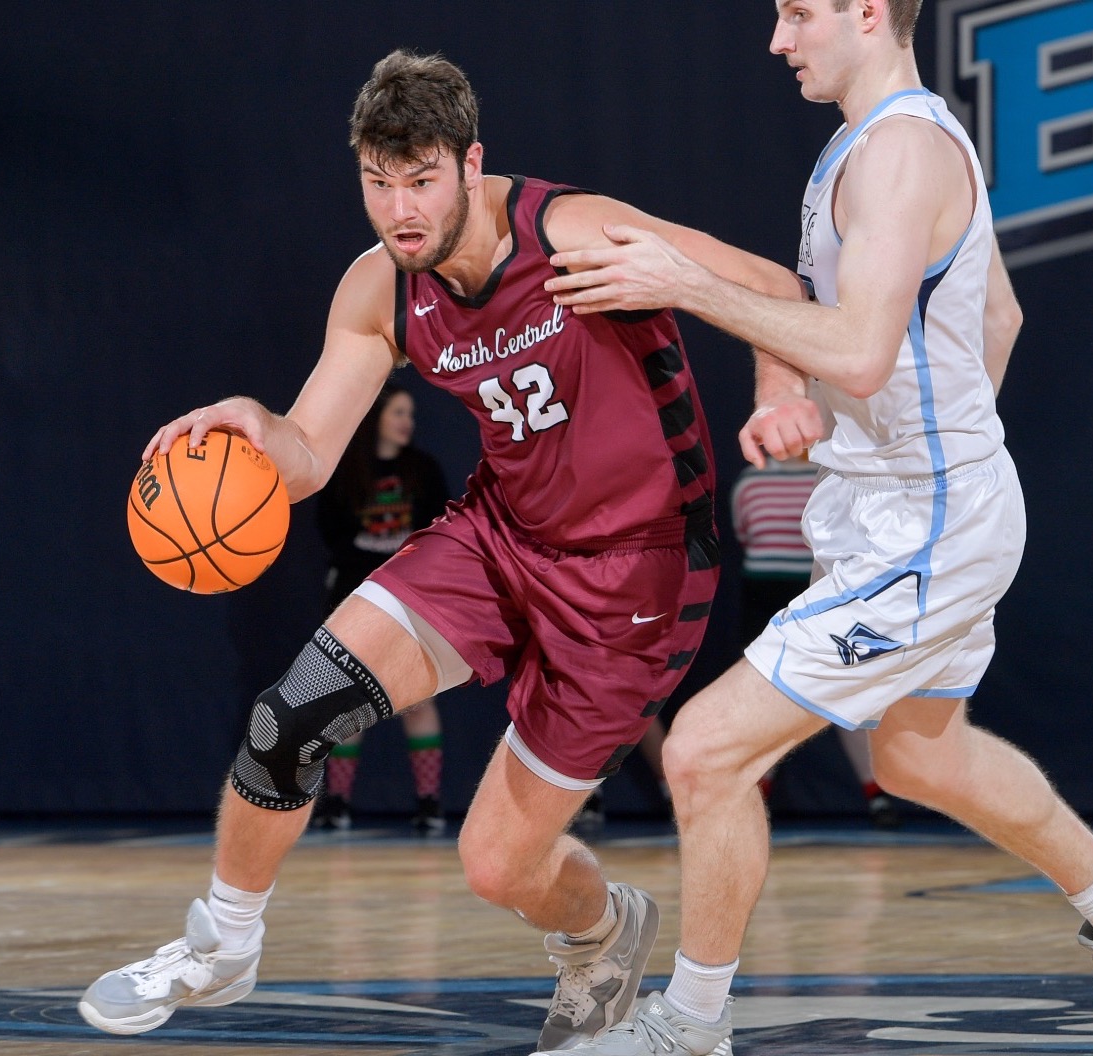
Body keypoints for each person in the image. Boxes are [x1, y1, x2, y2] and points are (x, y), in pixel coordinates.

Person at [77, 49, 804, 1049]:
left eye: (420, 182)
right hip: (498, 535)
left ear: (471, 163)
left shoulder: (575, 233)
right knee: (294, 714)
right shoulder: (381, 288)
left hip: (635, 569)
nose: (399, 210)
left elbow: (766, 282)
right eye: (378, 185)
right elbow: (305, 457)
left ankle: (601, 932)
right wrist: (254, 425)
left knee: (496, 868)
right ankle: (222, 945)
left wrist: (778, 388)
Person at [535, 2, 1093, 1055]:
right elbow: (995, 319)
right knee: (917, 757)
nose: (775, 38)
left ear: (864, 11)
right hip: (912, 504)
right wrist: (918, 440)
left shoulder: (896, 153)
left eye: (796, 11)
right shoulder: (873, 144)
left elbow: (855, 352)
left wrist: (683, 285)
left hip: (923, 526)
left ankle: (691, 1026)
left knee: (705, 752)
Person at [311, 381, 450, 834]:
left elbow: (438, 532)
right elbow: (331, 533)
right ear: (378, 419)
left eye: (411, 415)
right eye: (399, 414)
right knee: (349, 703)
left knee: (419, 700)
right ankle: (337, 803)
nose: (407, 423)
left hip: (410, 597)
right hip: (355, 598)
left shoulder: (424, 470)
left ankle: (429, 804)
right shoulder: (348, 470)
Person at [732, 454, 899, 827]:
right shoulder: (750, 482)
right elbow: (747, 535)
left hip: (817, 594)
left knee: (844, 691)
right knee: (766, 695)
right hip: (763, 597)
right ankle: (758, 791)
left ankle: (876, 792)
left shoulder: (835, 480)